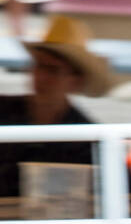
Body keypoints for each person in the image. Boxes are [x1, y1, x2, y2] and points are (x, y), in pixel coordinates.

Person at [0, 16, 113, 199]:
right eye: (38, 66)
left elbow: (127, 193)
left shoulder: (87, 138)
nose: (41, 77)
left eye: (53, 70)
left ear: (76, 81)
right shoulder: (3, 109)